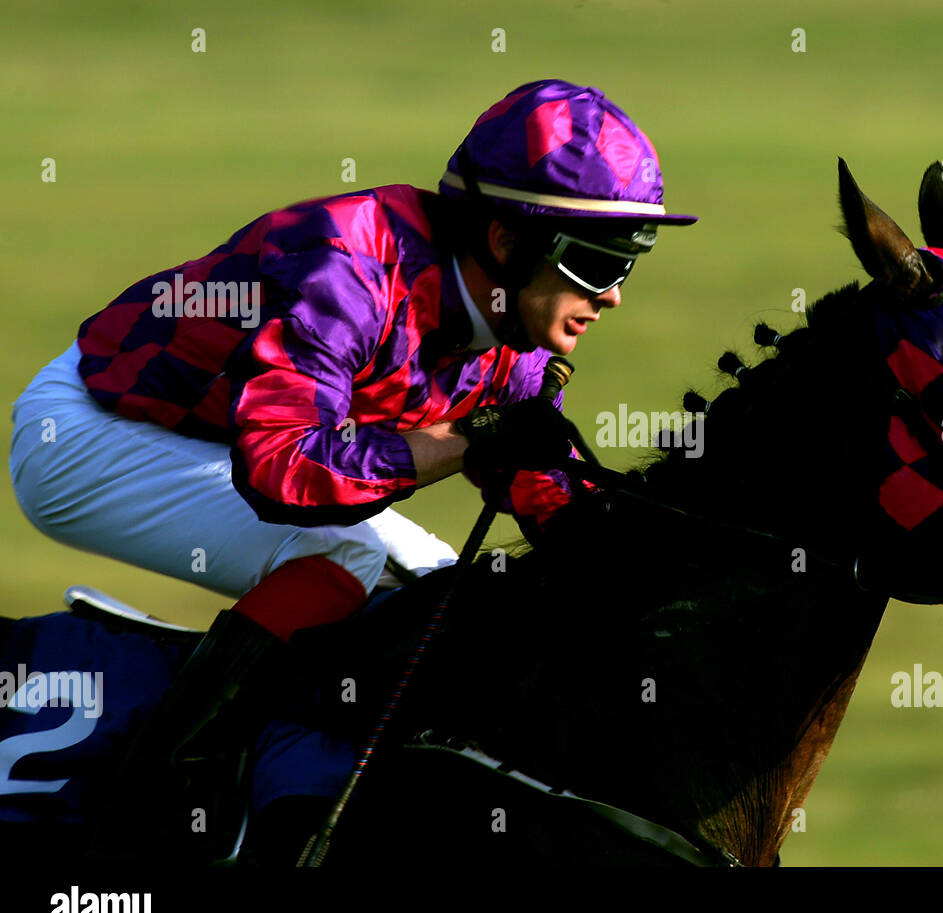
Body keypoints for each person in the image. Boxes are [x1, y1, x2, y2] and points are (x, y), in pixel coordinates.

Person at [7, 79, 696, 842]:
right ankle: (172, 780)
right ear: (507, 241)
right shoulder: (346, 266)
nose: (614, 297)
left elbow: (547, 492)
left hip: (220, 436)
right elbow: (284, 471)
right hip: (91, 431)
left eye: (629, 267)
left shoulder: (514, 336)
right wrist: (469, 441)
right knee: (343, 553)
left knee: (439, 585)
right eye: (598, 265)